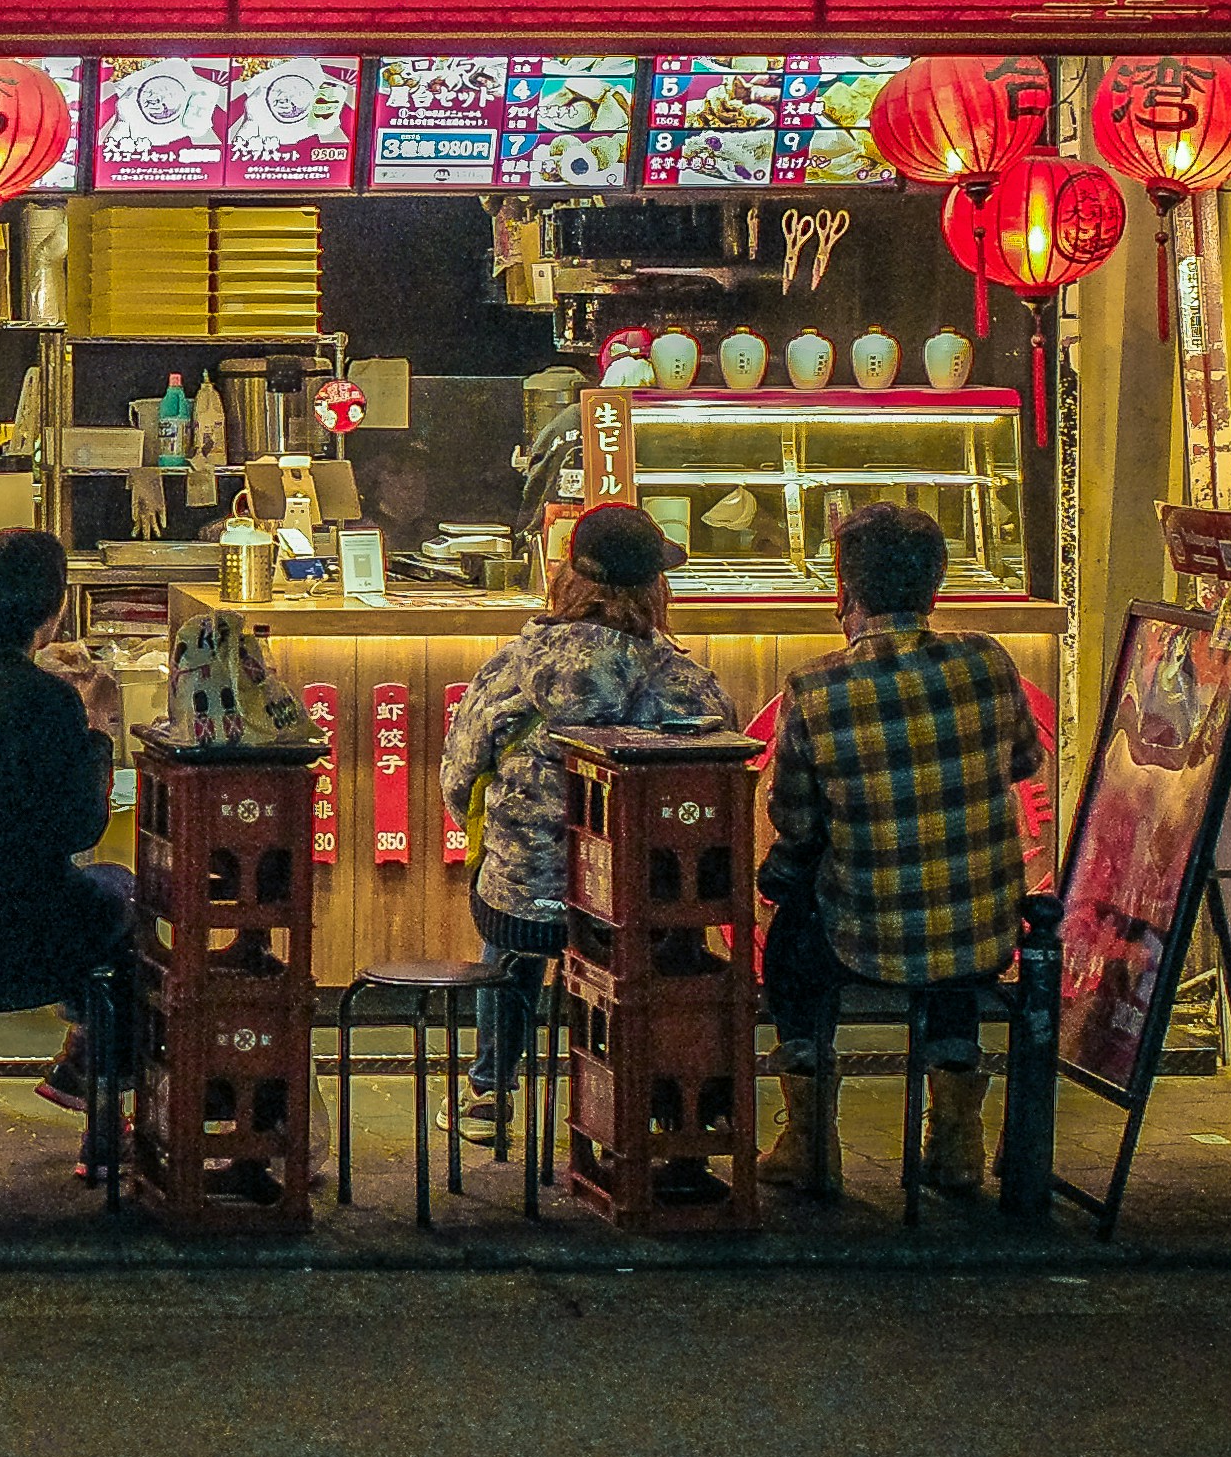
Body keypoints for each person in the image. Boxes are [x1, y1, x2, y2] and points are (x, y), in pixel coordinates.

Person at [763, 504, 1044, 1202]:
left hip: (865, 937)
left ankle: (808, 1144)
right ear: (935, 587)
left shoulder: (813, 687)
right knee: (951, 930)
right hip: (982, 936)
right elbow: (1022, 760)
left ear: (843, 590)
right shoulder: (987, 660)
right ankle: (953, 1142)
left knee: (789, 948)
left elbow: (792, 821)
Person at [441, 501, 738, 1099]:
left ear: (568, 577)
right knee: (645, 944)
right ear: (657, 589)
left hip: (523, 906)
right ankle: (630, 1096)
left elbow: (459, 777)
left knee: (511, 933)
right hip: (638, 915)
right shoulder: (690, 684)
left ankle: (488, 1091)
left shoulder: (512, 668)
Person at [0, 529, 140, 1121]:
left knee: (108, 900)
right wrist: (97, 732)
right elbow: (81, 828)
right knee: (130, 897)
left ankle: (86, 1062)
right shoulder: (48, 700)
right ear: (52, 610)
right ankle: (103, 1099)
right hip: (25, 942)